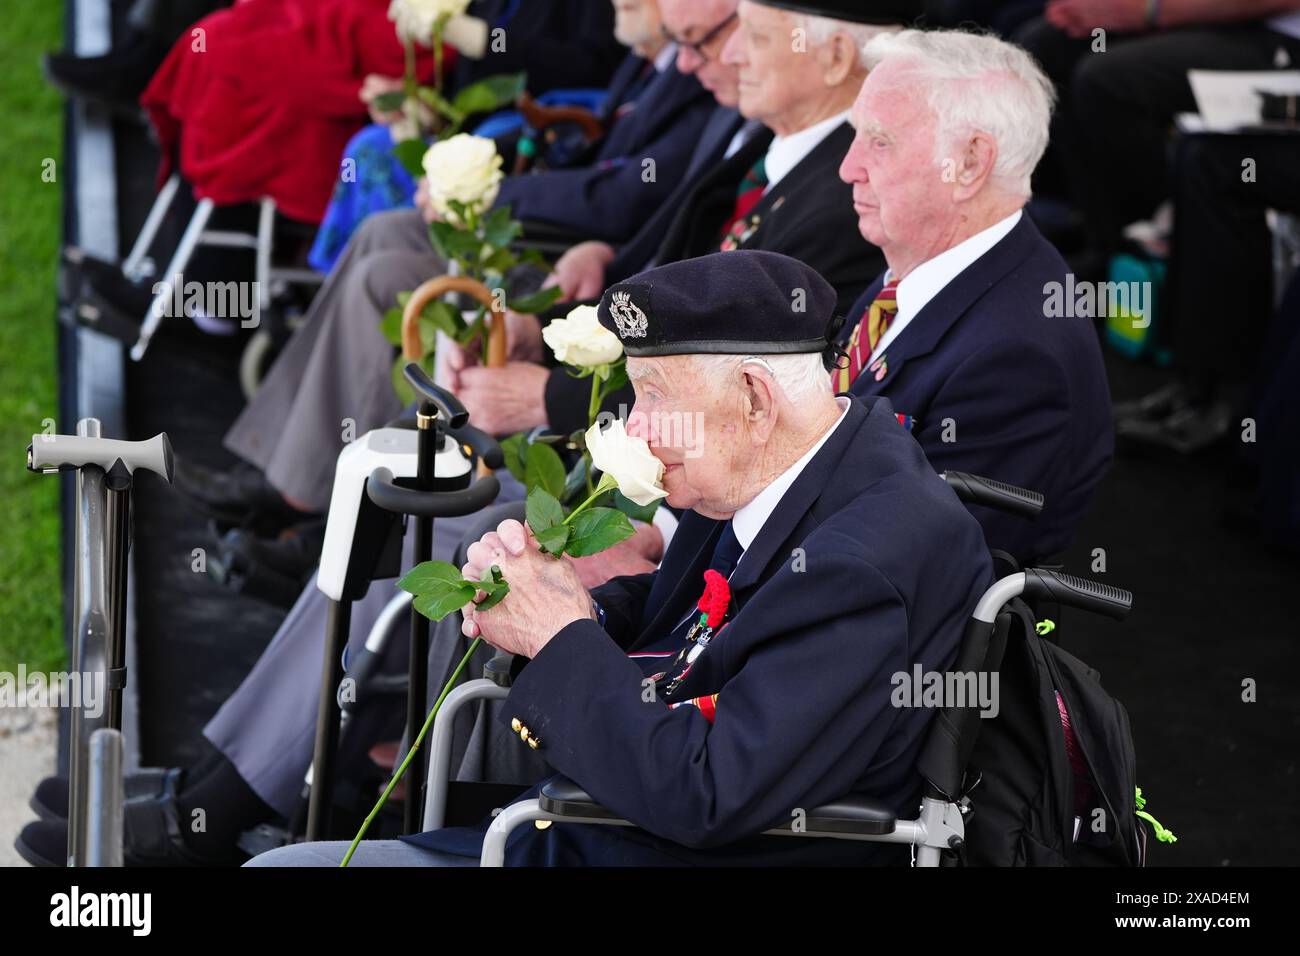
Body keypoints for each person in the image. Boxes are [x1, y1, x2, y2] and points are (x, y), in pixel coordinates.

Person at [246, 249, 993, 866]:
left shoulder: (856, 567)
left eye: (653, 397)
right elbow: (688, 617)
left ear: (757, 401)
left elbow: (705, 795)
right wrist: (574, 599)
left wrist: (559, 634)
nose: (634, 431)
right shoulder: (785, 463)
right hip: (594, 820)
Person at [834, 28, 1113, 563]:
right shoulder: (925, 265)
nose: (849, 168)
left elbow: (904, 567)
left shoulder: (1018, 359)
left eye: (880, 141)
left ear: (969, 164)